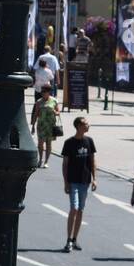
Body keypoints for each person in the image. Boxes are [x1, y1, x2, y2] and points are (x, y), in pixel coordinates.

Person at [61, 116, 97, 251]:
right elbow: (65, 164)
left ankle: (75, 239)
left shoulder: (89, 141)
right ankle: (68, 240)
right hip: (73, 181)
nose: (88, 126)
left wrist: (95, 178)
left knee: (81, 210)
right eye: (86, 124)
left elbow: (92, 161)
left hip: (85, 181)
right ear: (79, 126)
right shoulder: (69, 143)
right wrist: (65, 182)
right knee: (74, 208)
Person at [31, 84, 60, 168]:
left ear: (49, 92)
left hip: (51, 125)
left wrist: (55, 112)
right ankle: (40, 159)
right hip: (41, 125)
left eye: (44, 92)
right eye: (42, 92)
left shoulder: (54, 101)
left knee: (48, 144)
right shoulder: (39, 102)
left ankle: (46, 161)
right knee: (40, 144)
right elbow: (35, 114)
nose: (43, 93)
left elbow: (58, 112)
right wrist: (33, 125)